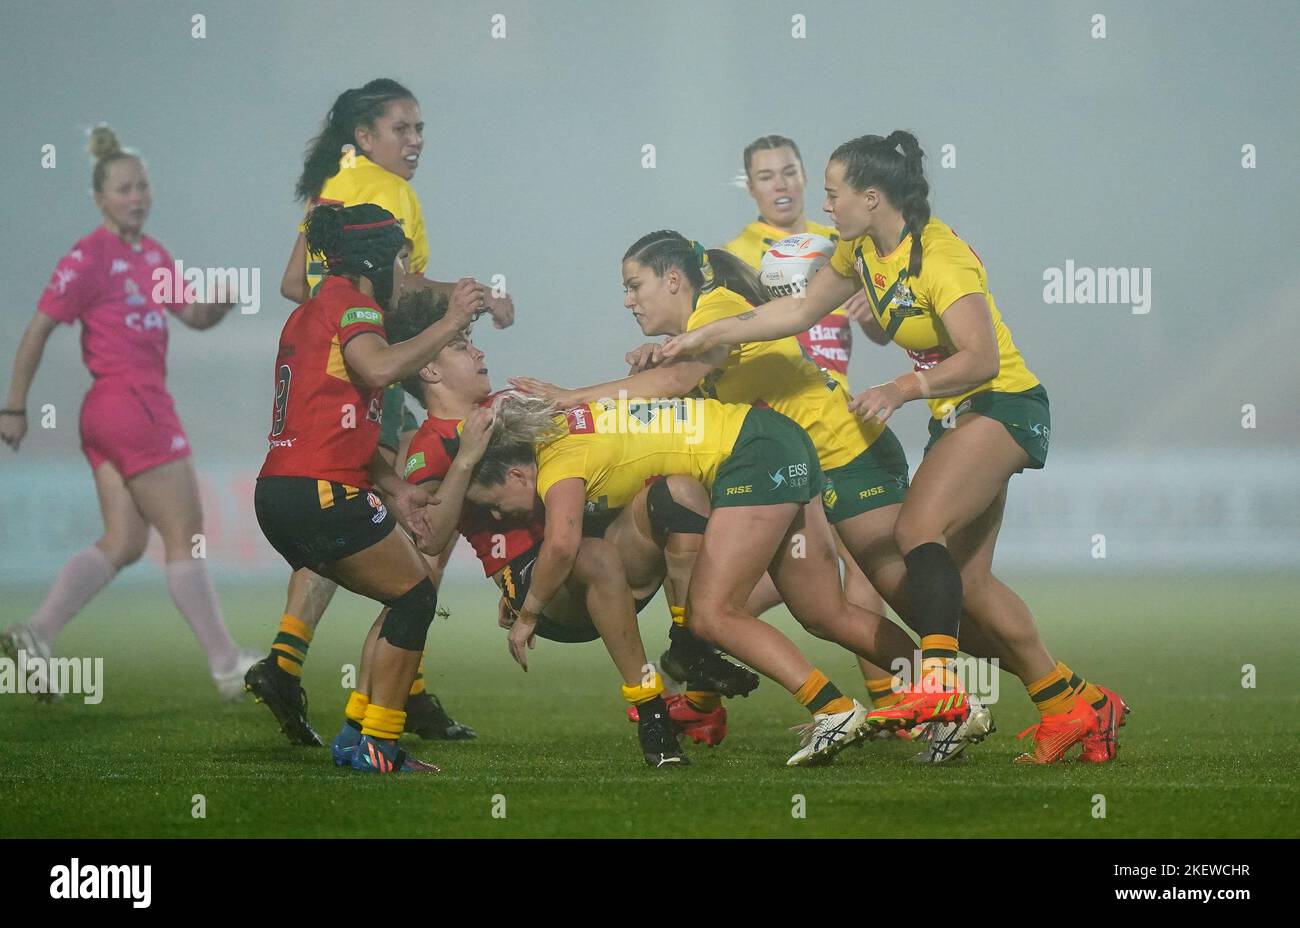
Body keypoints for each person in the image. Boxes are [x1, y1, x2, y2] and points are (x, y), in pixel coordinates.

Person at [662, 131, 1128, 764]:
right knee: (969, 587)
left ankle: (935, 685)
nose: (824, 206)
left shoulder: (940, 258)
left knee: (918, 528)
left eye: (832, 194)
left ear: (873, 197)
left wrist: (904, 387)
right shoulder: (860, 248)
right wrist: (705, 335)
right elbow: (798, 311)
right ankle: (1073, 703)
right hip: (957, 413)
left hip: (1004, 404)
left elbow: (983, 357)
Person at [384, 289, 754, 763]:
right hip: (537, 581)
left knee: (678, 492)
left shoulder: (513, 402)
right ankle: (650, 712)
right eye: (461, 346)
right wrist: (466, 460)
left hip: (591, 543)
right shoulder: (427, 447)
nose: (478, 351)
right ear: (429, 371)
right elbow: (432, 536)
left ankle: (689, 646)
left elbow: (597, 435)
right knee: (588, 553)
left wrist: (638, 382)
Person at [468, 390, 913, 767]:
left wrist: (528, 615)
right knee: (823, 611)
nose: (497, 514)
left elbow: (562, 545)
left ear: (516, 472)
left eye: (496, 501)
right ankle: (944, 693)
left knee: (714, 616)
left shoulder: (558, 464)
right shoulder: (577, 422)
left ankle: (832, 709)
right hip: (781, 436)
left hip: (753, 454)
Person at [246, 78, 495, 743]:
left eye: (420, 131)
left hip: (284, 478)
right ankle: (389, 710)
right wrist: (456, 308)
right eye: (403, 129)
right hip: (360, 384)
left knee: (380, 520)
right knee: (412, 574)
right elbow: (385, 330)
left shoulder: (334, 188)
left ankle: (290, 660)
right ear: (365, 134)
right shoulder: (385, 202)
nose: (415, 142)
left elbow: (296, 284)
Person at [0, 125, 257, 700]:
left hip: (108, 414)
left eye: (142, 186)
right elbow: (38, 328)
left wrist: (219, 300)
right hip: (131, 402)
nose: (137, 197)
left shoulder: (153, 253)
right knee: (185, 534)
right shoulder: (89, 257)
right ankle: (225, 666)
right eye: (123, 188)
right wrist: (13, 406)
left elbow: (190, 315)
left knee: (124, 542)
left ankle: (37, 632)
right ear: (99, 198)